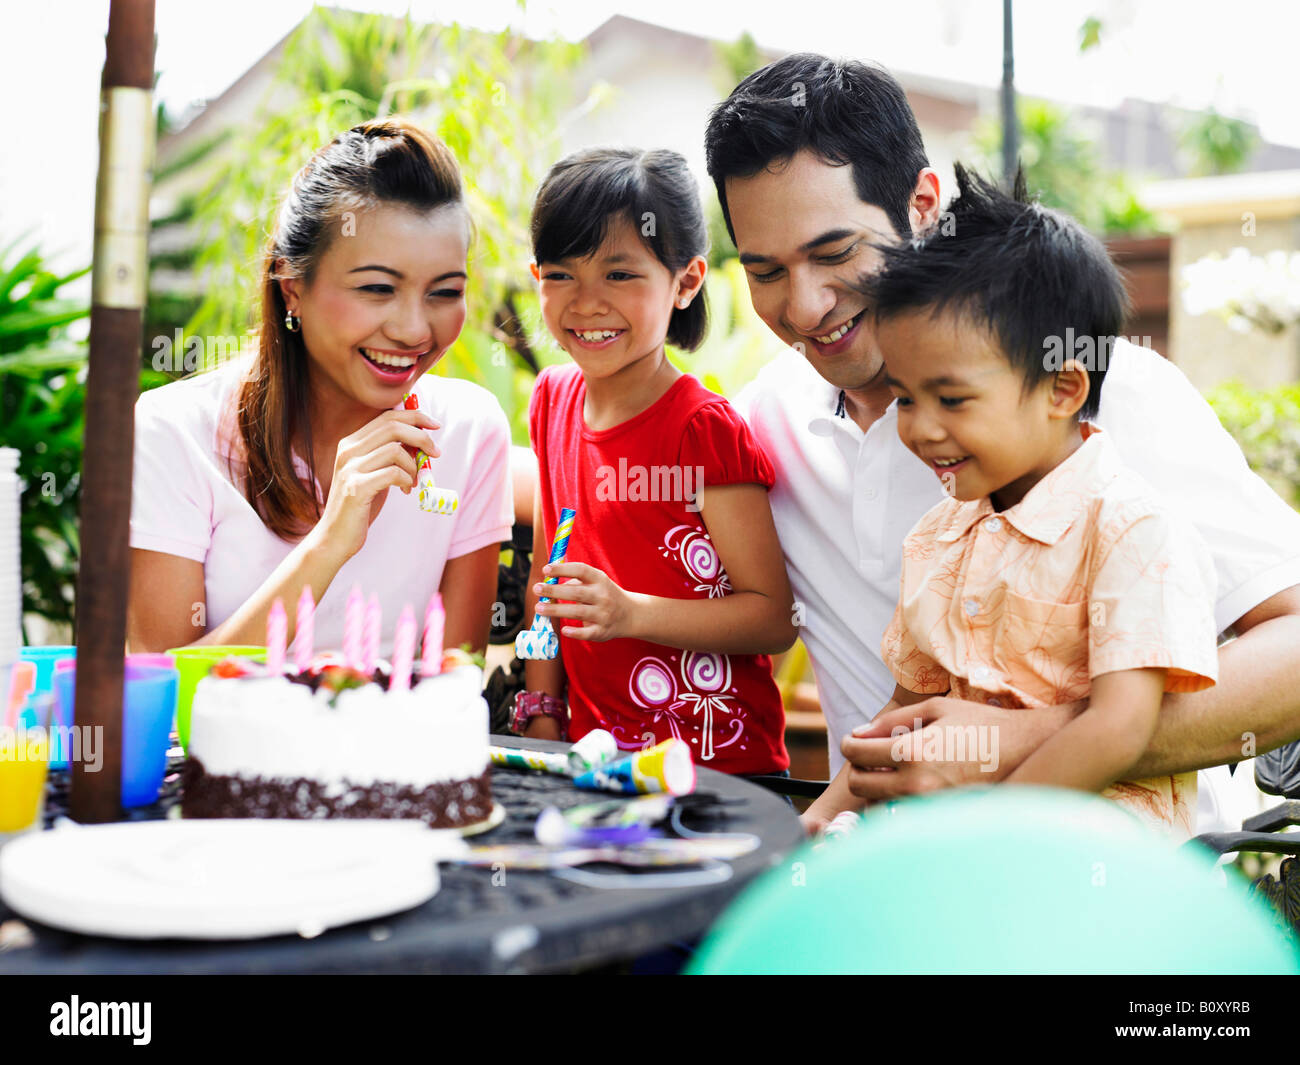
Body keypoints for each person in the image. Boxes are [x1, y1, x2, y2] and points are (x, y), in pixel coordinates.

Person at [705, 54, 1300, 828]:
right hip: (904, 894)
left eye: (834, 253)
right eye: (765, 271)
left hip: (1129, 885)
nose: (806, 306)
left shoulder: (1093, 393)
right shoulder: (760, 427)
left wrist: (1019, 742)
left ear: (922, 204)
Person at [801, 165, 1219, 839]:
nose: (920, 427)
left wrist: (987, 839)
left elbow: (1120, 725)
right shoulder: (939, 535)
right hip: (959, 851)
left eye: (952, 398)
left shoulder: (1129, 528)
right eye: (907, 397)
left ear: (1061, 388)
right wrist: (820, 824)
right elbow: (903, 714)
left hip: (1094, 870)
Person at [128, 120, 512, 658]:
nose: (414, 329)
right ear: (293, 290)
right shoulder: (175, 432)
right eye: (377, 288)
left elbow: (452, 682)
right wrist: (330, 541)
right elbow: (163, 696)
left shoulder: (469, 434)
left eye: (444, 292)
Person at [514, 147, 796, 776]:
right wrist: (541, 706)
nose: (586, 303)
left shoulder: (703, 430)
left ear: (686, 281)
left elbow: (774, 617)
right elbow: (548, 578)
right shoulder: (551, 402)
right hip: (596, 763)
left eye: (619, 275)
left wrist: (629, 613)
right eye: (561, 275)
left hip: (721, 774)